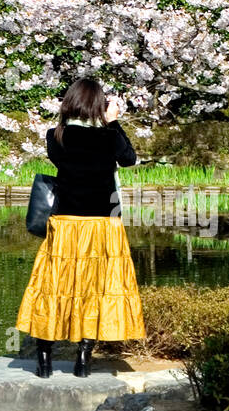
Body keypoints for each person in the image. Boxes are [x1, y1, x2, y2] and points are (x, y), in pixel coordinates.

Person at [16, 76, 145, 378]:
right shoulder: (109, 138)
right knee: (95, 290)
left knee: (53, 288)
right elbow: (128, 159)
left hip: (65, 223)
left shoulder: (56, 136)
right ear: (98, 106)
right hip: (102, 224)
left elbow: (65, 156)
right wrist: (112, 123)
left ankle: (44, 360)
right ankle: (83, 359)